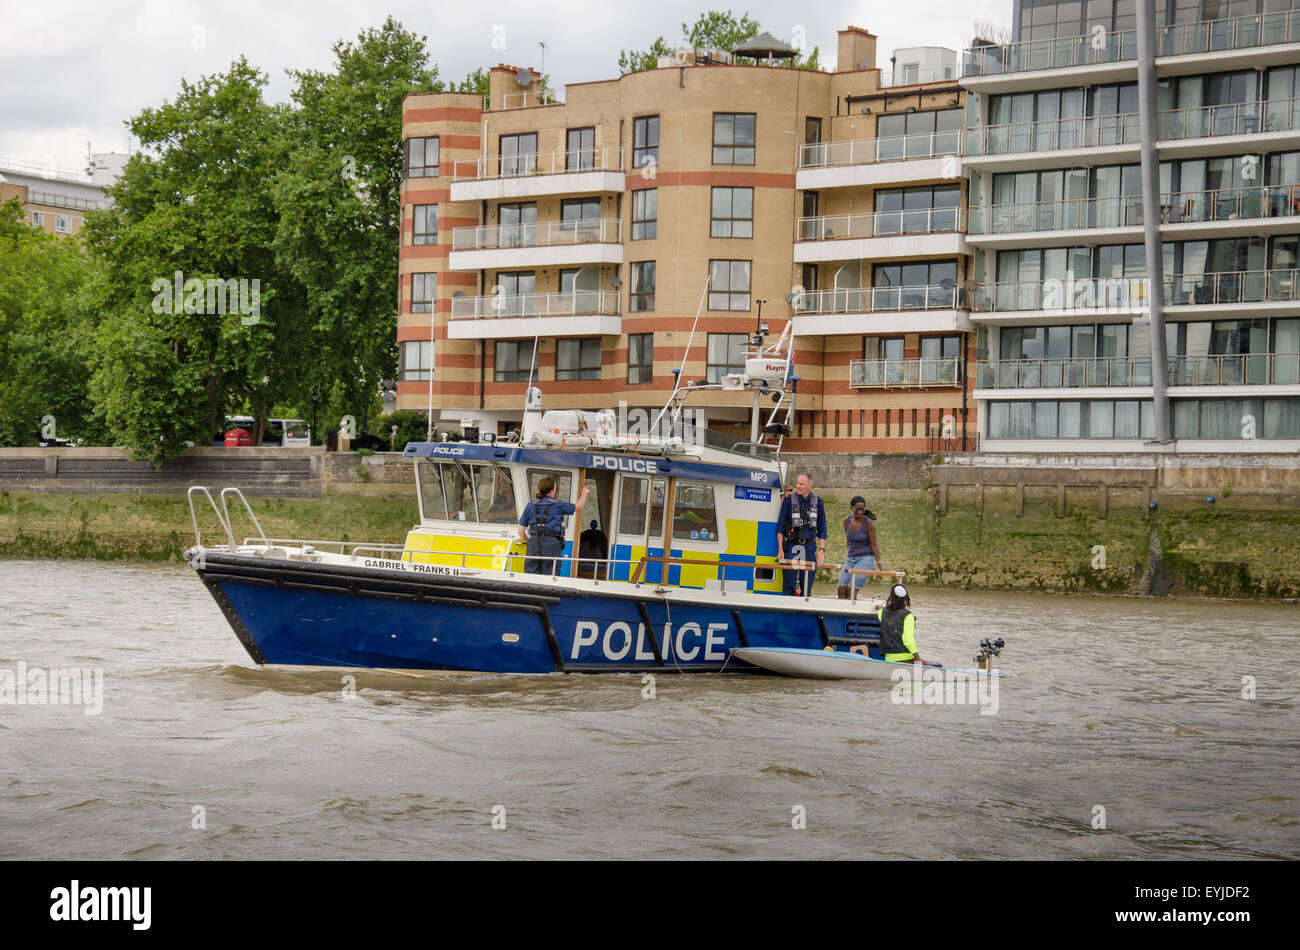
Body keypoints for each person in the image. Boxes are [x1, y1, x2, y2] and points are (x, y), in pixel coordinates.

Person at [517, 477, 590, 575]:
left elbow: (520, 532)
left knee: (531, 576)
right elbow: (578, 506)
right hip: (551, 545)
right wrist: (584, 493)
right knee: (550, 576)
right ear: (552, 491)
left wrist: (529, 541)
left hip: (533, 544)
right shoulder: (558, 505)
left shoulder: (530, 506)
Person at [776, 472, 826, 596]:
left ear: (809, 486)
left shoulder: (818, 502)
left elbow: (822, 529)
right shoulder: (788, 501)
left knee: (806, 587)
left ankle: (804, 611)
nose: (798, 486)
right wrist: (780, 550)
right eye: (797, 483)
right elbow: (780, 527)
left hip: (809, 548)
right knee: (789, 586)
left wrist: (821, 550)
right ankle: (787, 611)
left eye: (801, 484)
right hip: (792, 547)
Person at [877, 584, 935, 665]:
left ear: (891, 596)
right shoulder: (908, 616)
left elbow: (884, 613)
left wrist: (880, 608)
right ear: (905, 598)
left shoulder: (882, 613)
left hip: (889, 659)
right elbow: (908, 640)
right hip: (905, 659)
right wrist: (918, 659)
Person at [838, 496, 883, 600]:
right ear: (851, 508)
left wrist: (880, 565)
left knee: (850, 590)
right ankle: (842, 615)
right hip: (850, 559)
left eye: (862, 509)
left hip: (865, 559)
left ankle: (851, 615)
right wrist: (848, 556)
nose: (860, 512)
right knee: (841, 590)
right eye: (857, 509)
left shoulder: (868, 524)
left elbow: (874, 545)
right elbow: (848, 540)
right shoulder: (846, 521)